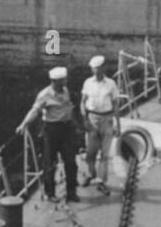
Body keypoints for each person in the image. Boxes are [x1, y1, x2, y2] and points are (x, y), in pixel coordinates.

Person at [16, 66, 79, 204]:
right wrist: (24, 124)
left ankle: (71, 192)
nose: (66, 81)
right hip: (51, 130)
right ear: (55, 81)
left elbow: (68, 107)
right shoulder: (44, 94)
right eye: (63, 80)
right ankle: (50, 193)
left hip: (66, 129)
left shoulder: (65, 90)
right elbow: (34, 111)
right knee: (49, 163)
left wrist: (74, 124)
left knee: (70, 162)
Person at [80, 55, 120, 194]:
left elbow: (115, 105)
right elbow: (82, 102)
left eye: (98, 68)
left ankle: (101, 181)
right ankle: (91, 174)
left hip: (107, 119)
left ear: (103, 68)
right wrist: (85, 120)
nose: (95, 70)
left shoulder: (111, 84)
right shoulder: (87, 83)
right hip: (92, 119)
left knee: (105, 153)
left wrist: (117, 124)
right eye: (93, 68)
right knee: (90, 153)